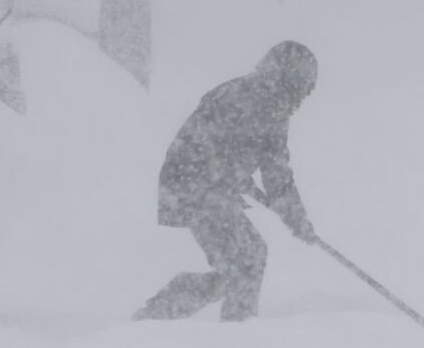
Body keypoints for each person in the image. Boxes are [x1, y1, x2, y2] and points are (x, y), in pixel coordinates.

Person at [132, 41, 319, 322]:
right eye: (302, 89)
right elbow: (196, 143)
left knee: (243, 263)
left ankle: (165, 309)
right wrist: (227, 173)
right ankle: (235, 331)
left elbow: (276, 174)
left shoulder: (269, 108)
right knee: (248, 259)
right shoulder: (242, 98)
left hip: (205, 188)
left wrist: (296, 219)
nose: (301, 100)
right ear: (289, 81)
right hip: (193, 186)